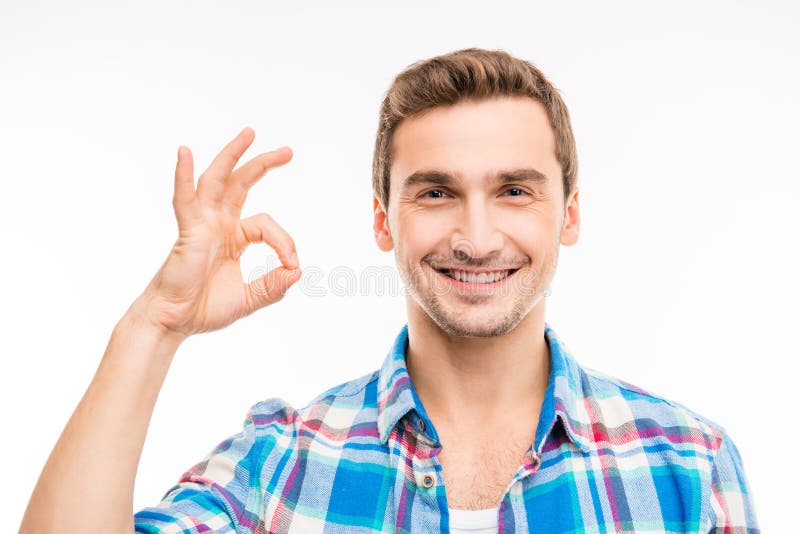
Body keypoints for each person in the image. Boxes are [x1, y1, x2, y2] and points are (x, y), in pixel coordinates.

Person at [20, 47, 759, 534]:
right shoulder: (277, 464)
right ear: (384, 221)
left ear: (569, 214)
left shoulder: (688, 465)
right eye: (436, 192)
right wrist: (156, 323)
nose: (476, 235)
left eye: (514, 191)